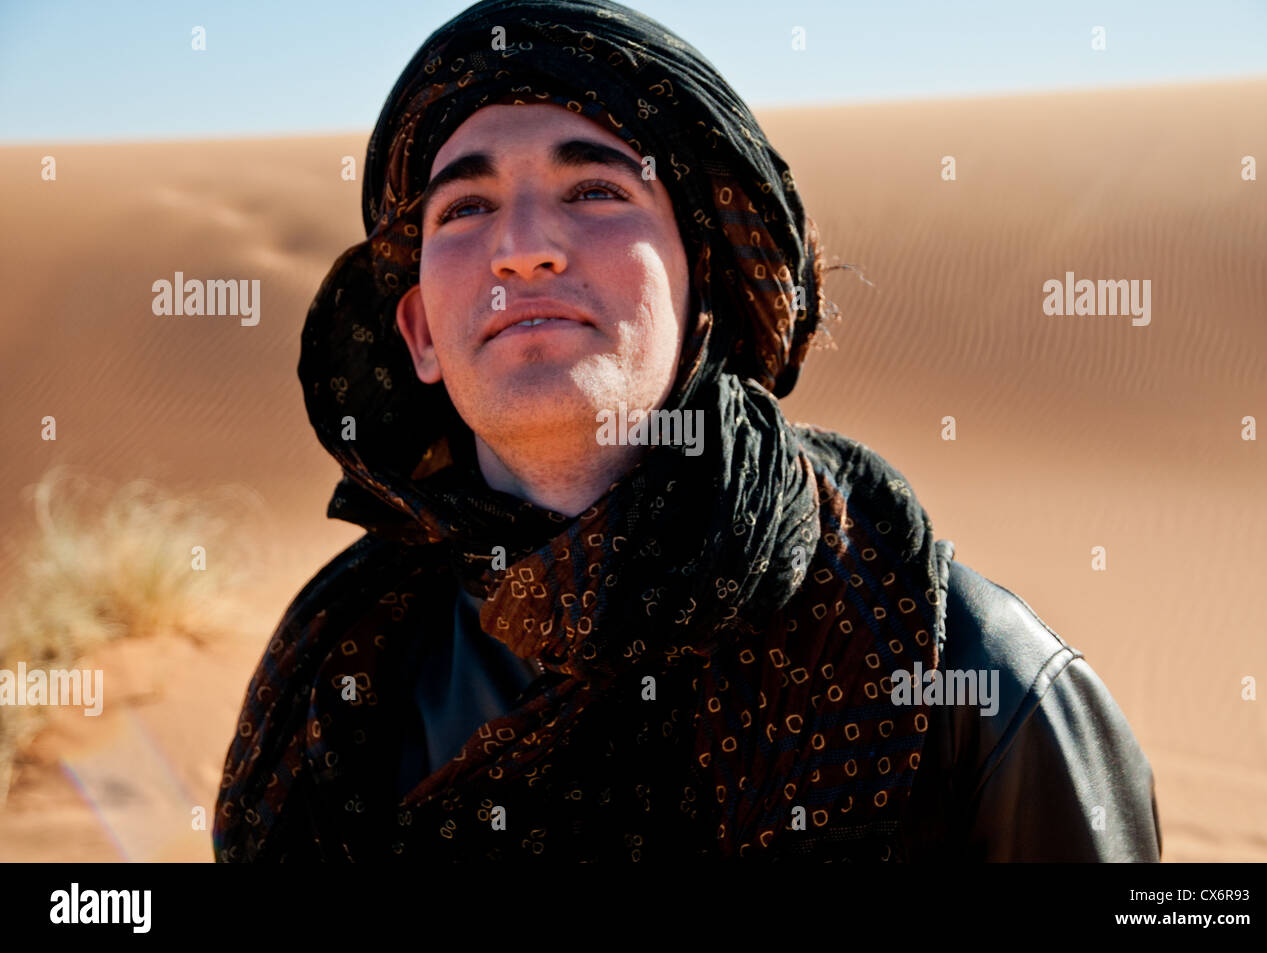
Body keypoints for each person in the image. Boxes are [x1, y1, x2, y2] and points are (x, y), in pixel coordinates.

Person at [213, 0, 1161, 862]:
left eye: (595, 191)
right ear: (417, 331)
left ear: (705, 280)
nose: (522, 245)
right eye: (465, 207)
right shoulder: (335, 668)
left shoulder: (972, 686)